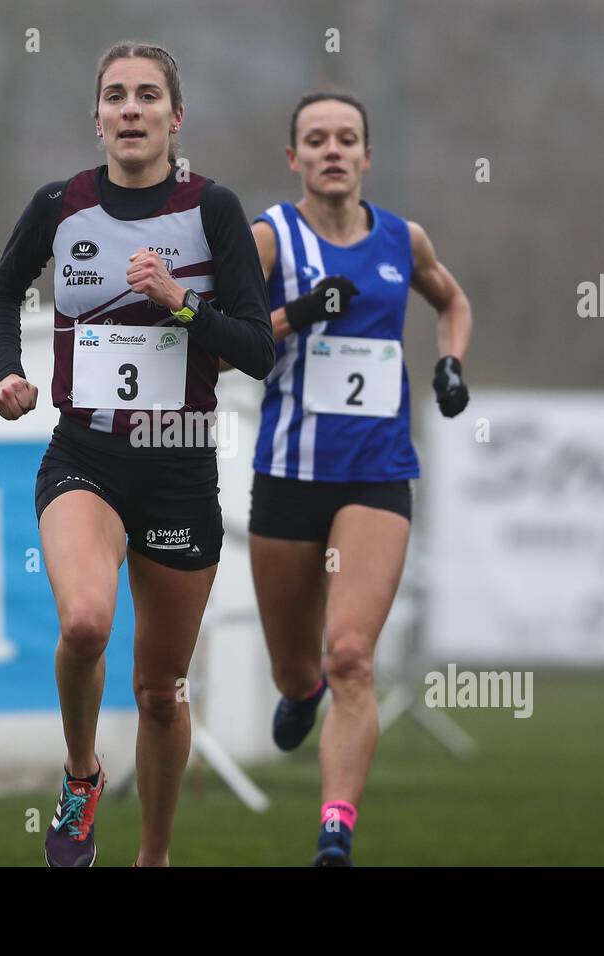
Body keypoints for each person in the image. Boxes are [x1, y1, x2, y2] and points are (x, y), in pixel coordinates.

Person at [0, 41, 273, 867]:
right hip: (87, 454)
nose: (132, 109)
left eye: (149, 96)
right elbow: (5, 289)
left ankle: (154, 855)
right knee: (82, 624)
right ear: (99, 116)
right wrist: (10, 372)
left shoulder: (213, 210)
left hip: (180, 461)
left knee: (159, 691)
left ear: (176, 118)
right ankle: (81, 778)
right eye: (116, 96)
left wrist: (181, 305)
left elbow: (258, 349)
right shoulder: (60, 204)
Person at [245, 92, 472, 866]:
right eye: (317, 139)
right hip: (287, 475)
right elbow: (218, 339)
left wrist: (449, 362)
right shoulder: (271, 239)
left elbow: (453, 300)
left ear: (367, 156)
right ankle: (298, 692)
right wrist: (296, 314)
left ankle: (335, 827)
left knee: (351, 656)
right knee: (298, 663)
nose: (333, 150)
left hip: (376, 476)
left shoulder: (403, 240)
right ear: (294, 158)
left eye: (347, 139)